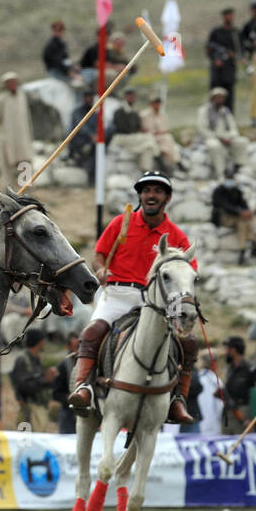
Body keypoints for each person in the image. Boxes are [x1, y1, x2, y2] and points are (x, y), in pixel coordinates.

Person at [66, 171, 198, 423]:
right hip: (117, 293)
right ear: (140, 195)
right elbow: (99, 255)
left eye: (157, 191)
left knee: (189, 343)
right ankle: (83, 388)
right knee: (91, 333)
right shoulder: (120, 223)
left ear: (167, 198)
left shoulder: (176, 235)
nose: (151, 195)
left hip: (156, 300)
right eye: (146, 190)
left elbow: (189, 270)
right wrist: (101, 270)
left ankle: (177, 400)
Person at [196, 87, 250, 178]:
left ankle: (238, 167)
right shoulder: (204, 111)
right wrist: (219, 138)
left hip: (226, 137)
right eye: (218, 98)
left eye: (222, 98)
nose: (220, 100)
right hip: (211, 138)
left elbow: (233, 128)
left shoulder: (225, 111)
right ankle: (220, 172)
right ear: (213, 98)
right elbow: (202, 129)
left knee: (242, 141)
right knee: (215, 146)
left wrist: (231, 137)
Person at [0, 71, 34, 187]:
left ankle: (25, 190)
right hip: (8, 136)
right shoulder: (1, 98)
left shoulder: (22, 96)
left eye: (14, 82)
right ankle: (8, 190)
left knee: (25, 162)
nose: (12, 85)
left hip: (23, 135)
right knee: (7, 162)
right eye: (9, 83)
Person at [11, 329, 55, 432]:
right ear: (39, 342)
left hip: (40, 408)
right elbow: (22, 386)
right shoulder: (22, 360)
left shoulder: (37, 359)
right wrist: (44, 380)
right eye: (43, 340)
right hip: (29, 410)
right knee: (28, 444)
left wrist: (50, 379)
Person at [109, 87, 160, 171]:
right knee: (149, 139)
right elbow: (122, 128)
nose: (132, 98)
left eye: (133, 96)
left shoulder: (134, 111)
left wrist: (141, 129)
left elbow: (138, 126)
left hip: (132, 137)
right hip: (122, 137)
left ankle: (145, 170)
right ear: (125, 97)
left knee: (148, 148)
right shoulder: (119, 111)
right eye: (130, 96)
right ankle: (159, 158)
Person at [211, 179, 256, 265]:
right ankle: (252, 241)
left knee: (243, 222)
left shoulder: (236, 191)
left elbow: (243, 203)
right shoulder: (219, 191)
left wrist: (246, 211)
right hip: (222, 218)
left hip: (237, 218)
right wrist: (240, 212)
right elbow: (224, 205)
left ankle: (243, 250)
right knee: (243, 220)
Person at [222, 336, 256, 432]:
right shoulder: (230, 369)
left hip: (244, 413)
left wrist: (251, 418)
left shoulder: (251, 369)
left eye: (227, 349)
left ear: (233, 350)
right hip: (228, 412)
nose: (225, 353)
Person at [206, 7, 242, 111]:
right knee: (215, 94)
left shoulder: (235, 33)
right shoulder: (216, 32)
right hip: (217, 71)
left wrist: (234, 56)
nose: (230, 18)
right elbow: (209, 48)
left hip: (229, 70)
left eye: (231, 15)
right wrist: (215, 60)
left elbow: (240, 50)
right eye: (228, 15)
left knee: (229, 96)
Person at [142, 92, 183, 174]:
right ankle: (163, 166)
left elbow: (166, 129)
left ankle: (177, 164)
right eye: (155, 103)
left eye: (158, 103)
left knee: (169, 140)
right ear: (151, 104)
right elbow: (145, 129)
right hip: (150, 137)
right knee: (154, 143)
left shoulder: (162, 115)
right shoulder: (145, 115)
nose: (157, 105)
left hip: (161, 137)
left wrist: (160, 132)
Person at [68, 89, 99, 184]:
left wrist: (96, 136)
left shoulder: (94, 111)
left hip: (90, 141)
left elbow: (97, 126)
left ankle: (93, 178)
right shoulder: (77, 111)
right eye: (88, 97)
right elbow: (81, 126)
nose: (90, 99)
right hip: (78, 141)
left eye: (91, 97)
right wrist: (92, 136)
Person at [51, 331, 80, 434]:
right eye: (76, 347)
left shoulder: (88, 364)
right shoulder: (62, 367)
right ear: (68, 347)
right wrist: (70, 398)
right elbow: (55, 394)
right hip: (69, 414)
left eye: (80, 346)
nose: (78, 350)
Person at [196, 353, 224, 435]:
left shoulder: (197, 377)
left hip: (199, 423)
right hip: (213, 425)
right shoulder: (216, 381)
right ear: (214, 363)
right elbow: (220, 405)